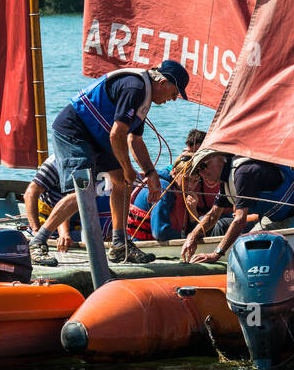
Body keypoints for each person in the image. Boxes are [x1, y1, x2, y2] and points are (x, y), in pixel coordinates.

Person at [28, 59, 189, 265]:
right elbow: (117, 135)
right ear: (163, 82)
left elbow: (135, 139)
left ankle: (120, 244)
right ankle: (38, 241)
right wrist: (128, 168)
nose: (174, 99)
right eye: (175, 93)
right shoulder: (136, 88)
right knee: (83, 191)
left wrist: (150, 173)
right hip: (75, 130)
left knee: (121, 182)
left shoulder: (145, 96)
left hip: (99, 135)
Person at [181, 155, 294, 264]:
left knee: (279, 256)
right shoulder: (226, 182)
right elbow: (213, 215)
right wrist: (192, 236)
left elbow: (240, 220)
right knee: (249, 250)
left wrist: (216, 254)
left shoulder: (243, 173)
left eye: (204, 165)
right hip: (274, 218)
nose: (202, 172)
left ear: (220, 159)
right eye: (198, 170)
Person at [24, 155, 113, 252]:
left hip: (81, 225)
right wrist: (37, 231)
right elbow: (30, 193)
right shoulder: (55, 163)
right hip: (52, 230)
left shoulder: (103, 162)